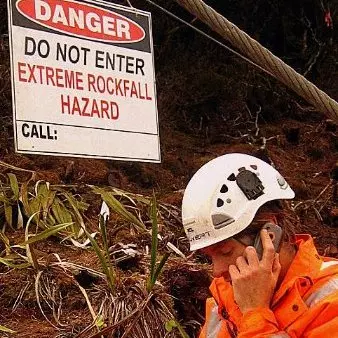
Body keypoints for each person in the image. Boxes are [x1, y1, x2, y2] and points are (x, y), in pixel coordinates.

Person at [181, 153, 338, 337]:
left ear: (269, 236)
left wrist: (254, 312)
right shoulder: (223, 300)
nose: (216, 271)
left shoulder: (330, 299)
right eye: (208, 256)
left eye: (225, 252)